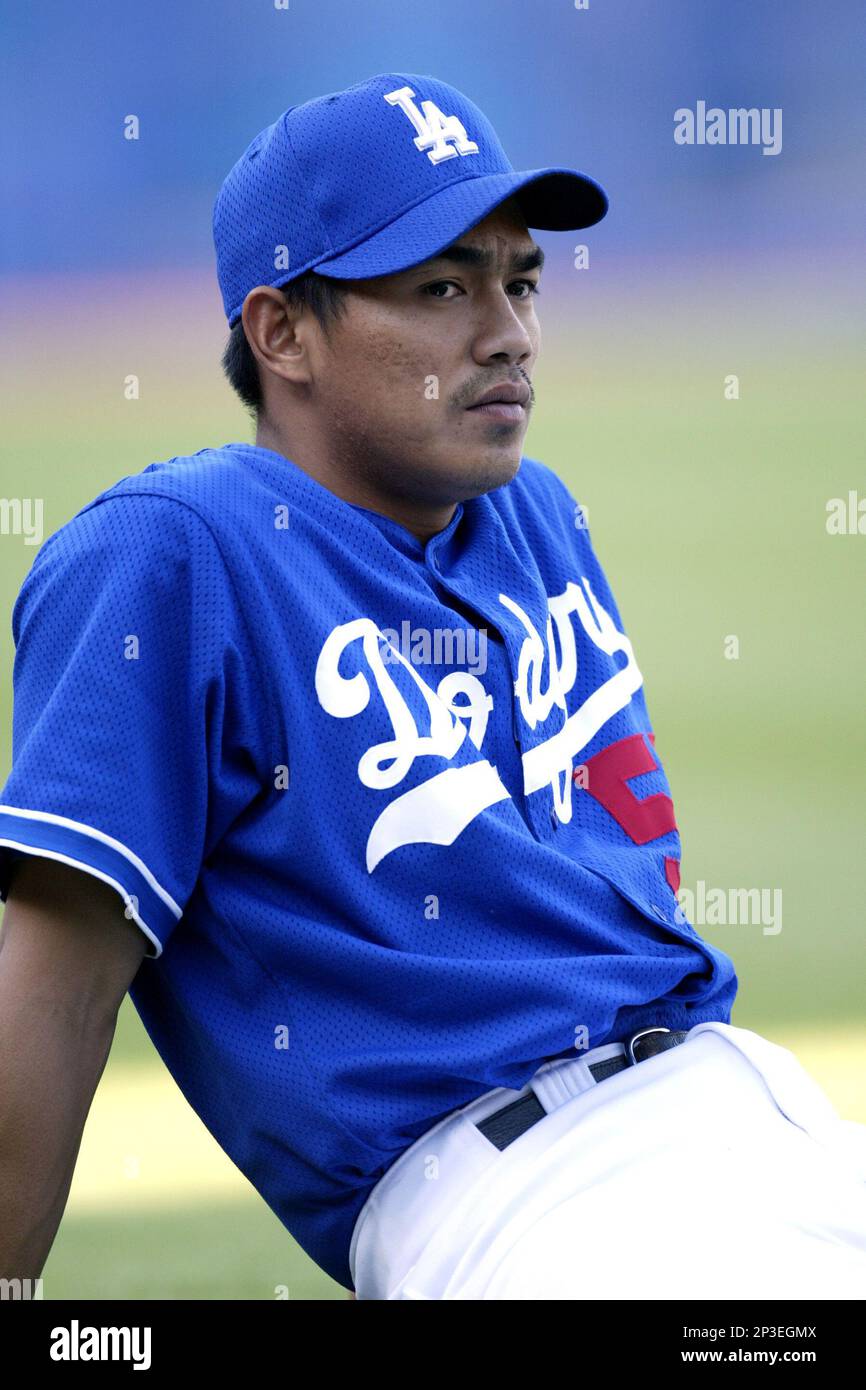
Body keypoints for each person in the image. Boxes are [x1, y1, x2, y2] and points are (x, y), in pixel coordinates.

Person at [1, 73, 865, 1301]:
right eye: (442, 286)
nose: (507, 329)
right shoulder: (174, 549)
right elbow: (55, 984)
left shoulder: (531, 515)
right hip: (539, 1205)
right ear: (281, 331)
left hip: (764, 1124)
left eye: (519, 280)